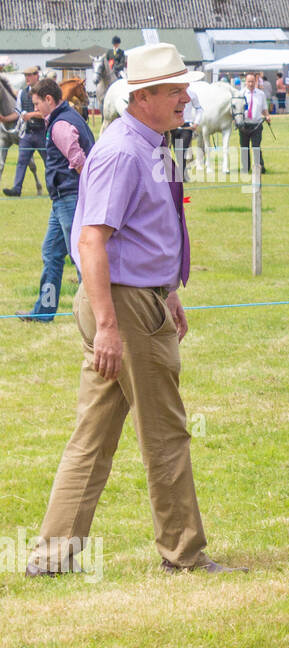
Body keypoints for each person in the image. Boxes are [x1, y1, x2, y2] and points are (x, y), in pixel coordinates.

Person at [24, 43, 244, 577]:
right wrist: (108, 325)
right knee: (166, 431)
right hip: (121, 306)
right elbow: (94, 241)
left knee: (93, 433)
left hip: (137, 301)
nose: (186, 99)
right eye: (175, 90)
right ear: (143, 98)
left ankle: (53, 555)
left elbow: (148, 231)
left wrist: (168, 291)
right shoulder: (125, 151)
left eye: (185, 88)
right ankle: (184, 554)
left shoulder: (153, 143)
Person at [14, 77, 92, 323]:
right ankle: (44, 311)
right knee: (51, 252)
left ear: (49, 99)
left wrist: (91, 193)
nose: (35, 109)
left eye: (37, 104)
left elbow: (80, 162)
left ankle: (93, 313)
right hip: (62, 199)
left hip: (70, 197)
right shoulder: (66, 116)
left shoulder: (60, 126)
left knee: (81, 257)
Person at [4, 65, 47, 196]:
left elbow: (47, 113)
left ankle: (55, 187)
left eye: (29, 75)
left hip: (41, 133)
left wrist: (31, 115)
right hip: (27, 134)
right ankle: (16, 189)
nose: (27, 78)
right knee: (21, 162)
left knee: (49, 162)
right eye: (25, 76)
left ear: (36, 75)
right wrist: (4, 118)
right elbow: (17, 113)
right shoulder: (22, 93)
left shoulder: (45, 92)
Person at [236, 72, 269, 176]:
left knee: (256, 146)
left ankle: (259, 166)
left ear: (256, 82)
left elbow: (264, 108)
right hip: (244, 125)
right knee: (244, 147)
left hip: (257, 124)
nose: (251, 84)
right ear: (245, 82)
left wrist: (267, 116)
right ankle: (245, 168)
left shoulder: (261, 94)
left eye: (252, 81)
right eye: (249, 81)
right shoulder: (240, 94)